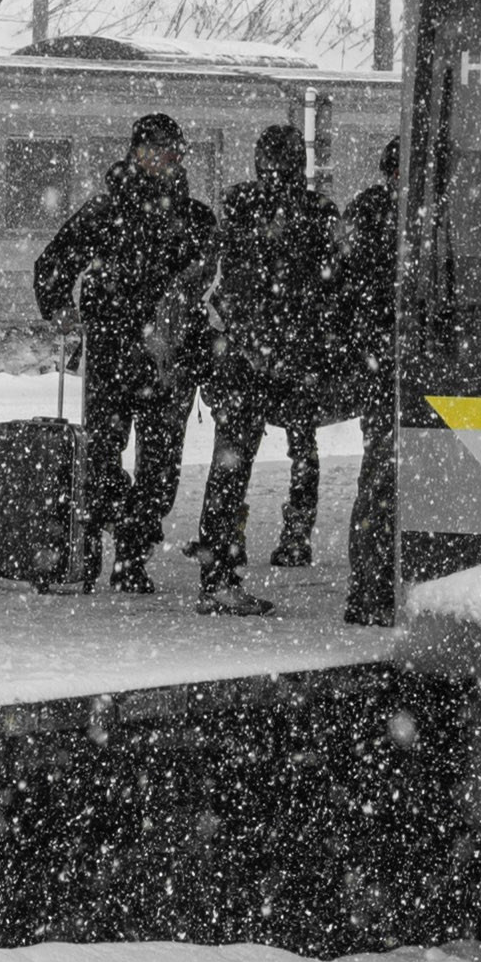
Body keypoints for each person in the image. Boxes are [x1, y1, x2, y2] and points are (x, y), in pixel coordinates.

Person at [31, 112, 220, 596]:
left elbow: (205, 277)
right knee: (100, 459)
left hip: (168, 362)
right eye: (155, 149)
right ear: (135, 152)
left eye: (172, 150)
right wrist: (60, 310)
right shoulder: (105, 211)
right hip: (114, 355)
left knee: (160, 472)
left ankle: (131, 554)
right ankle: (107, 537)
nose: (165, 159)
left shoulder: (195, 219)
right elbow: (53, 263)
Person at [190, 125, 338, 611]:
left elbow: (227, 278)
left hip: (247, 351)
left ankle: (221, 562)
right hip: (290, 353)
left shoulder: (238, 206)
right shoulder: (316, 213)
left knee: (231, 461)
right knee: (300, 446)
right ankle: (292, 535)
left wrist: (240, 337)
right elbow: (328, 287)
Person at [332, 134, 406, 624]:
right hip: (390, 360)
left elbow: (345, 286)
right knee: (385, 475)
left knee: (381, 474)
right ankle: (372, 589)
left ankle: (371, 589)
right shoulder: (392, 216)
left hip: (381, 361)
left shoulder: (367, 213)